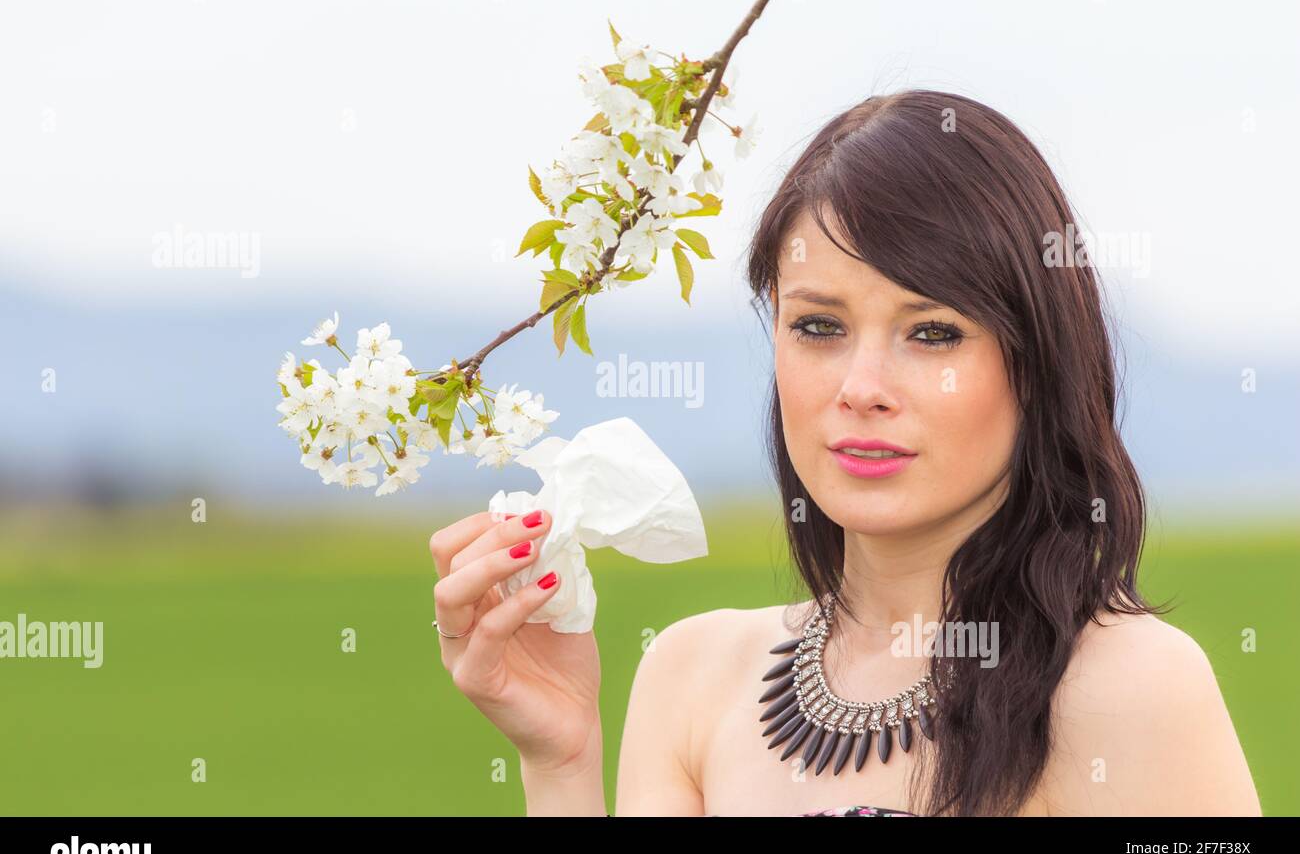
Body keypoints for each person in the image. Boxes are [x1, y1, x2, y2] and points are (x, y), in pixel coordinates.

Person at [427, 90, 1262, 817]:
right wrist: (560, 762)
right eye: (819, 327)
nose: (862, 386)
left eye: (933, 333)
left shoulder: (1130, 688)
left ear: (1038, 363)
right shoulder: (690, 676)